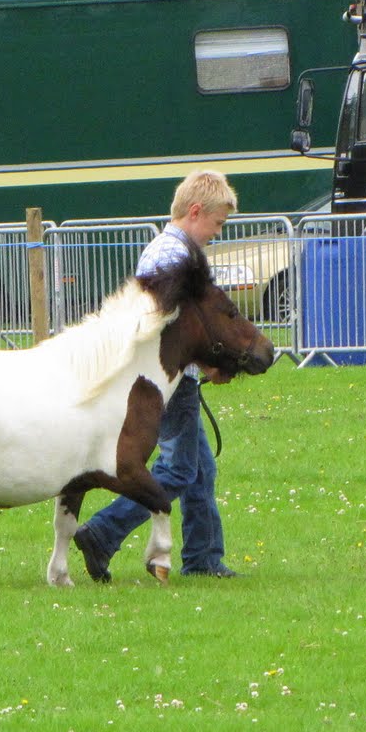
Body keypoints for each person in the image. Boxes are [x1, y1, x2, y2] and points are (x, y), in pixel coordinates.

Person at [73, 170, 241, 580]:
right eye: (217, 223)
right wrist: (207, 361)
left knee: (200, 469)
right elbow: (175, 326)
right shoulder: (172, 257)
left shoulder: (171, 251)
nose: (217, 233)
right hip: (169, 381)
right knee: (179, 469)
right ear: (195, 211)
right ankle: (103, 531)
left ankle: (203, 557)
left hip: (174, 377)